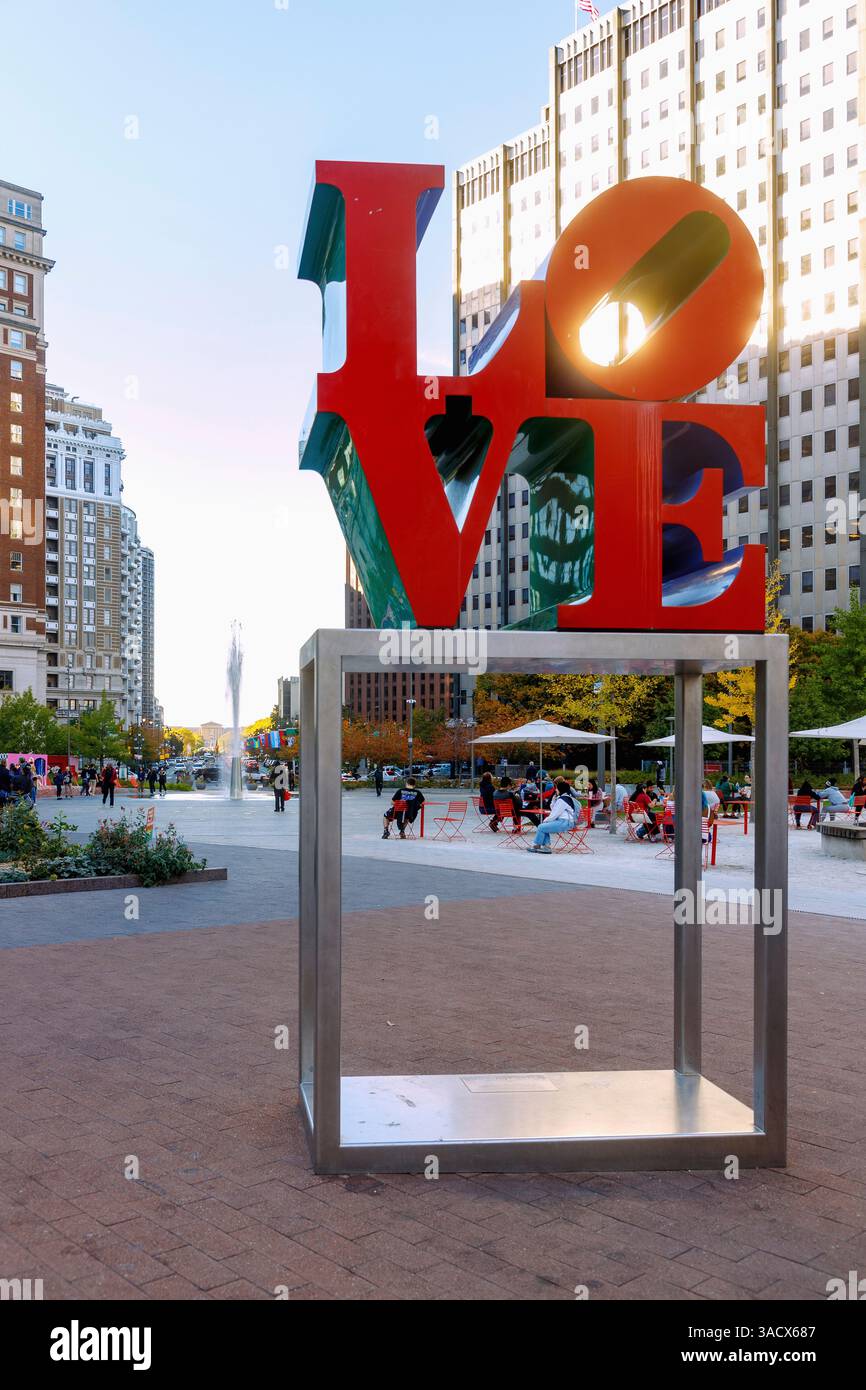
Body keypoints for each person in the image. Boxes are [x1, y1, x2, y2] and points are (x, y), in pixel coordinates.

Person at [527, 777, 577, 853]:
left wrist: (545, 820)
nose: (555, 790)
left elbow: (554, 814)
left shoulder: (562, 800)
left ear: (560, 789)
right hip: (565, 822)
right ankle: (546, 846)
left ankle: (537, 845)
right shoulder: (564, 798)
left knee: (541, 826)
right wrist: (553, 800)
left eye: (557, 788)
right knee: (544, 827)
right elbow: (554, 808)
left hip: (564, 822)